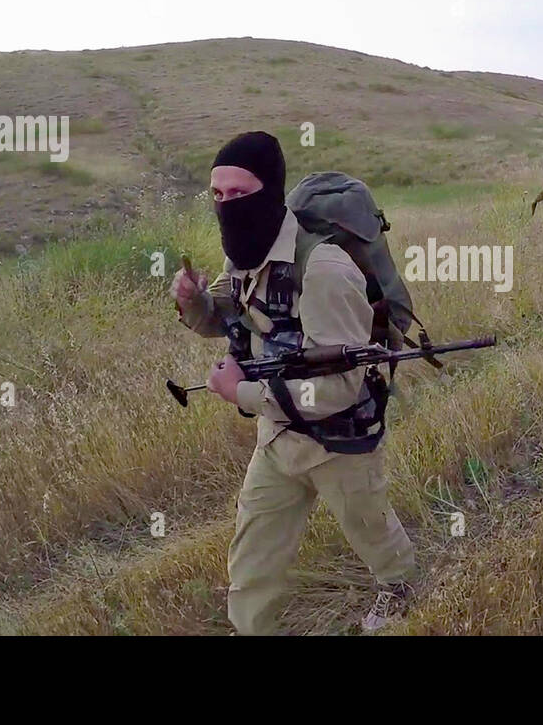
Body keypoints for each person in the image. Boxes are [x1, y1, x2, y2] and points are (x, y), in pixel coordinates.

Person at [171, 131, 418, 635]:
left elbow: (338, 391)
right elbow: (224, 317)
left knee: (371, 533)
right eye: (217, 195)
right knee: (251, 564)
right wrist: (194, 301)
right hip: (279, 438)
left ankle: (399, 590)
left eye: (239, 194)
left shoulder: (324, 269)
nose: (226, 206)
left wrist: (238, 392)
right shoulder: (242, 256)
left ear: (270, 191)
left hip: (341, 441)